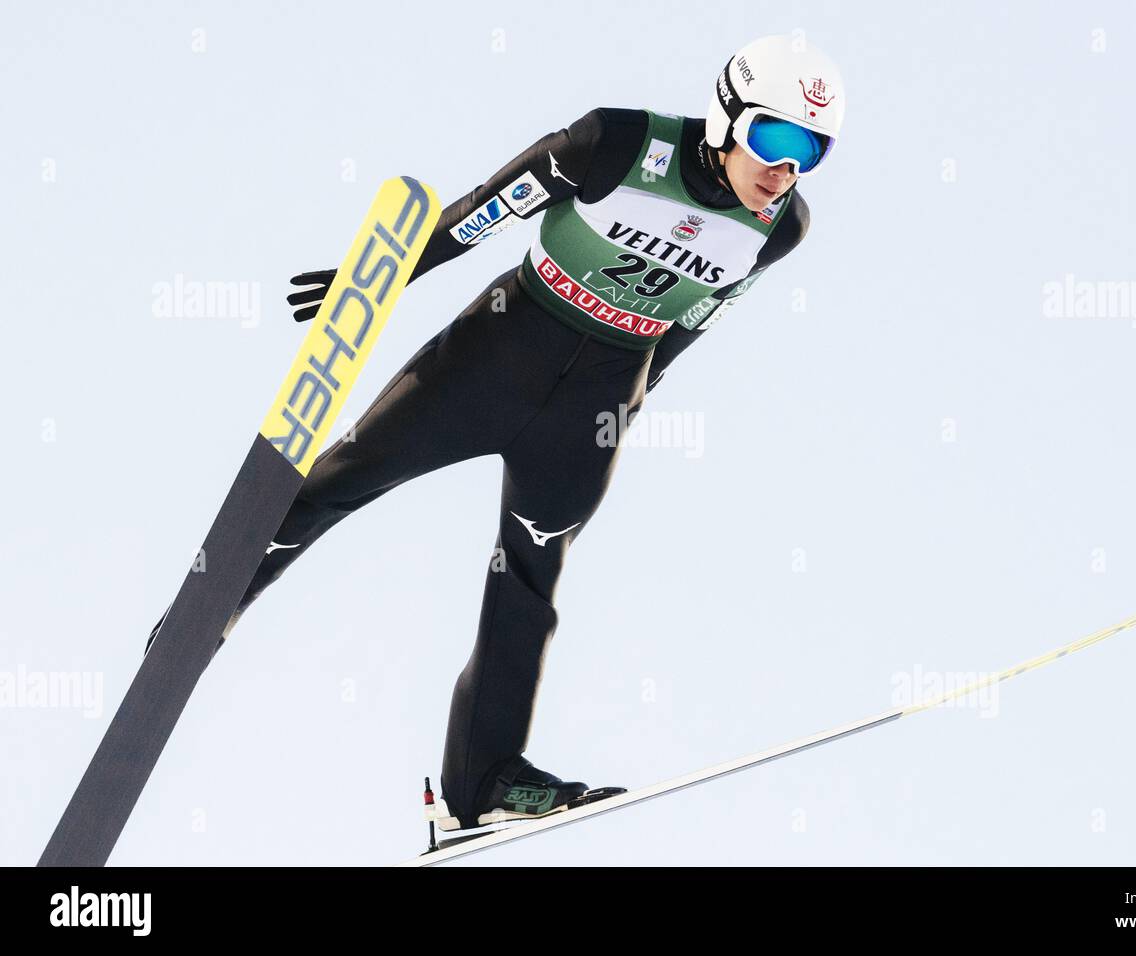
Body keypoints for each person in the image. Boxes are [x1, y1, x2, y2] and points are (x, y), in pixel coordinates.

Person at [151, 34, 845, 832]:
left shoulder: (779, 229)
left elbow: (694, 318)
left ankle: (483, 782)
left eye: (811, 153)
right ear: (728, 115)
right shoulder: (615, 143)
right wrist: (373, 280)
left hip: (593, 404)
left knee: (530, 575)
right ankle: (205, 613)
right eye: (776, 138)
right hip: (500, 352)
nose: (785, 169)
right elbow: (479, 214)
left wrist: (633, 395)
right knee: (345, 477)